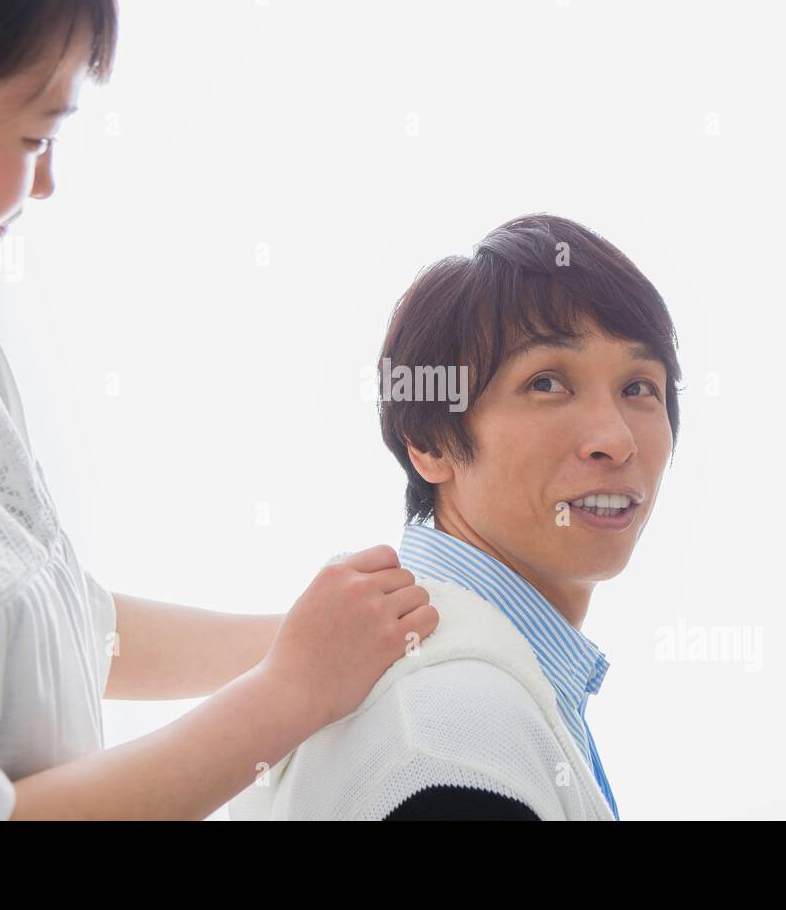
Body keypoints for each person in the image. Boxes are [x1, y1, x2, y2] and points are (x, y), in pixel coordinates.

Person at [0, 0, 437, 820]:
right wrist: (293, 691)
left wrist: (316, 642)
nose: (46, 183)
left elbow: (59, 624)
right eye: (33, 137)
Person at [229, 214, 681, 819]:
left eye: (639, 388)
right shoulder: (453, 733)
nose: (616, 441)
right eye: (547, 383)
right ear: (429, 441)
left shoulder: (466, 684)